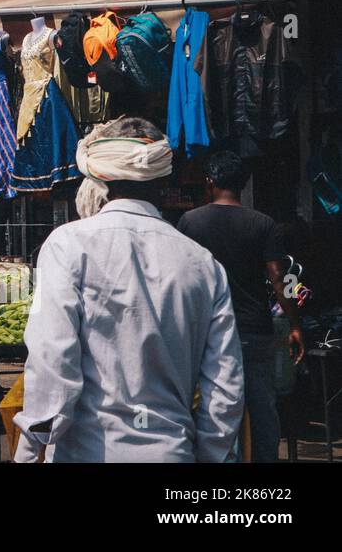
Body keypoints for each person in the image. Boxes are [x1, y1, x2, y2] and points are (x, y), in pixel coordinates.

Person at [14, 117, 245, 462]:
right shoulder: (203, 264)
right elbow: (225, 385)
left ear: (101, 176)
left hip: (86, 451)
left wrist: (30, 449)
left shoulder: (66, 245)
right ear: (164, 179)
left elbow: (52, 358)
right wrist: (209, 453)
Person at [178, 150, 305, 463]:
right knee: (262, 406)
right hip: (253, 330)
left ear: (210, 182)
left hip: (206, 333)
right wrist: (295, 324)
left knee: (210, 406)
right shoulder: (264, 224)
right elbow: (279, 278)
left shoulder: (191, 222)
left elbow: (180, 276)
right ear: (242, 183)